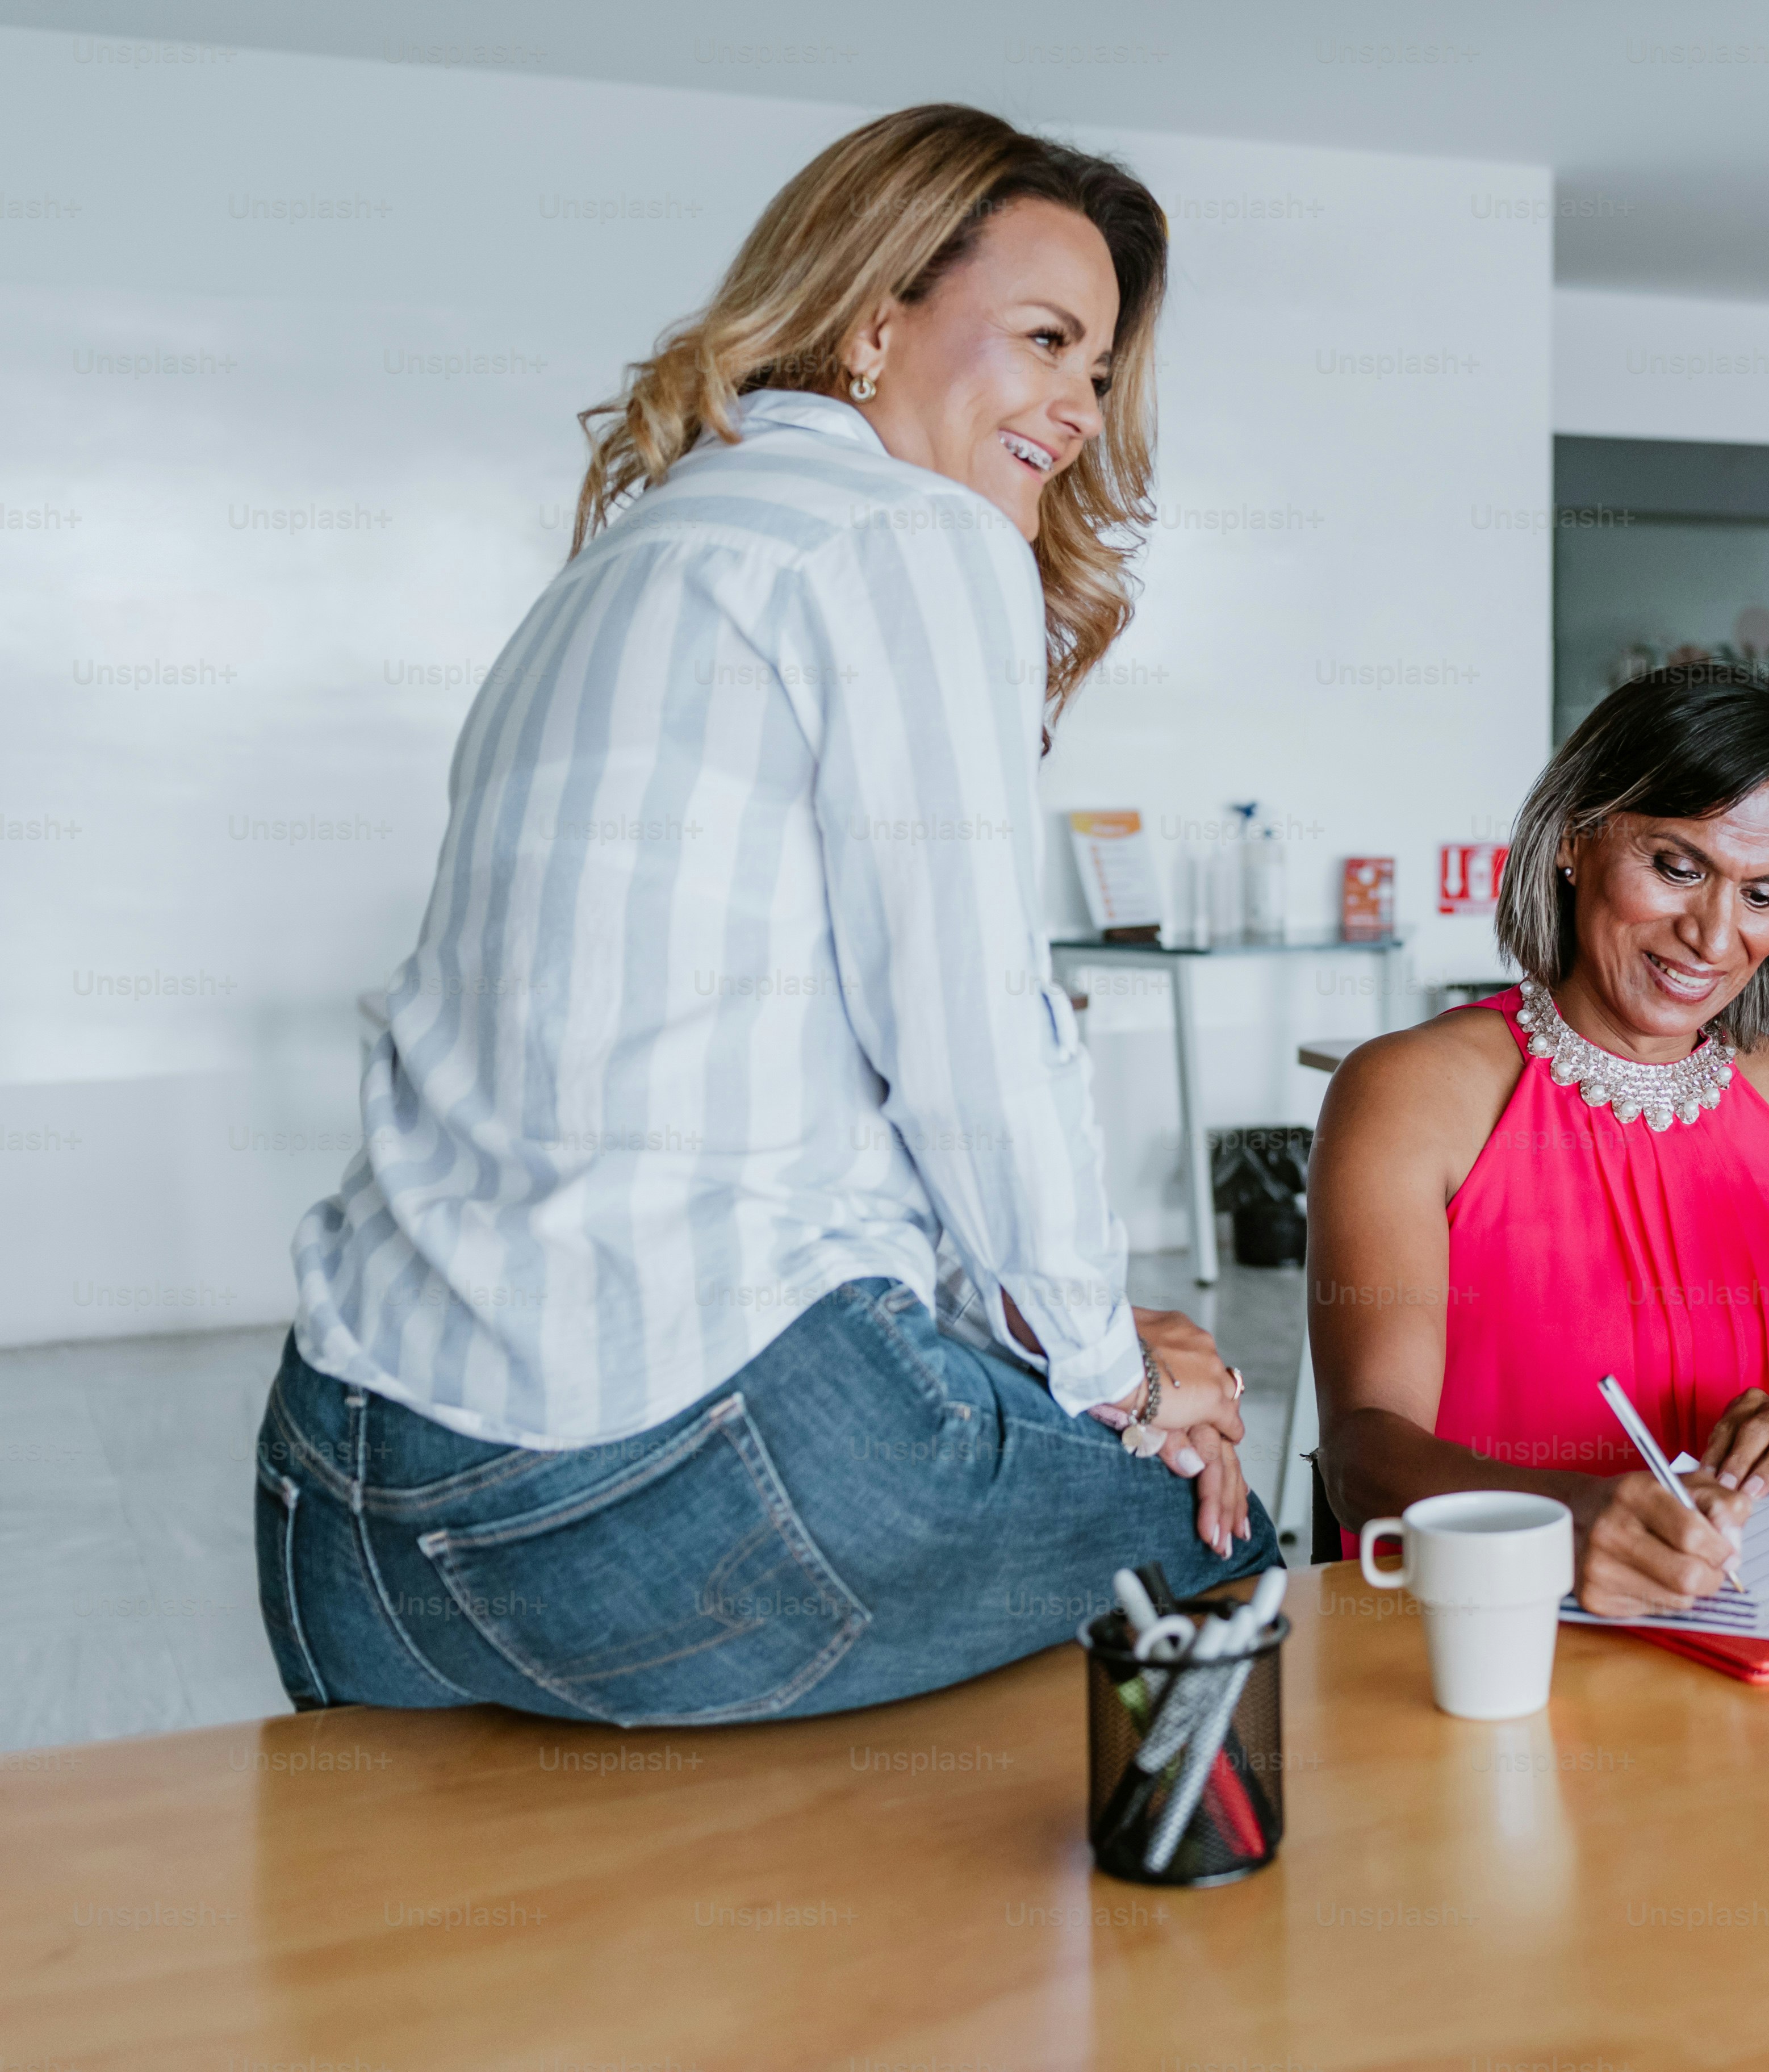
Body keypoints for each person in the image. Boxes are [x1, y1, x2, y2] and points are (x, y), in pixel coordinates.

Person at [256, 106, 1268, 1730]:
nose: (1079, 410)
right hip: (645, 1481)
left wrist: (1082, 1342)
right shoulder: (908, 536)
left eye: (1100, 371)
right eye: (1047, 341)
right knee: (1211, 1537)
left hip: (341, 1492)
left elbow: (779, 1094)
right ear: (877, 321)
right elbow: (970, 1041)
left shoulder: (621, 562)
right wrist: (1127, 1384)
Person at [1308, 667, 1769, 1616]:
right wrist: (1571, 1519)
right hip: (1489, 1649)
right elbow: (1361, 1458)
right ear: (1576, 841)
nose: (1715, 935)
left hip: (1760, 1649)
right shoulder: (1410, 1094)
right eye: (1678, 866)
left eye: (1764, 892)